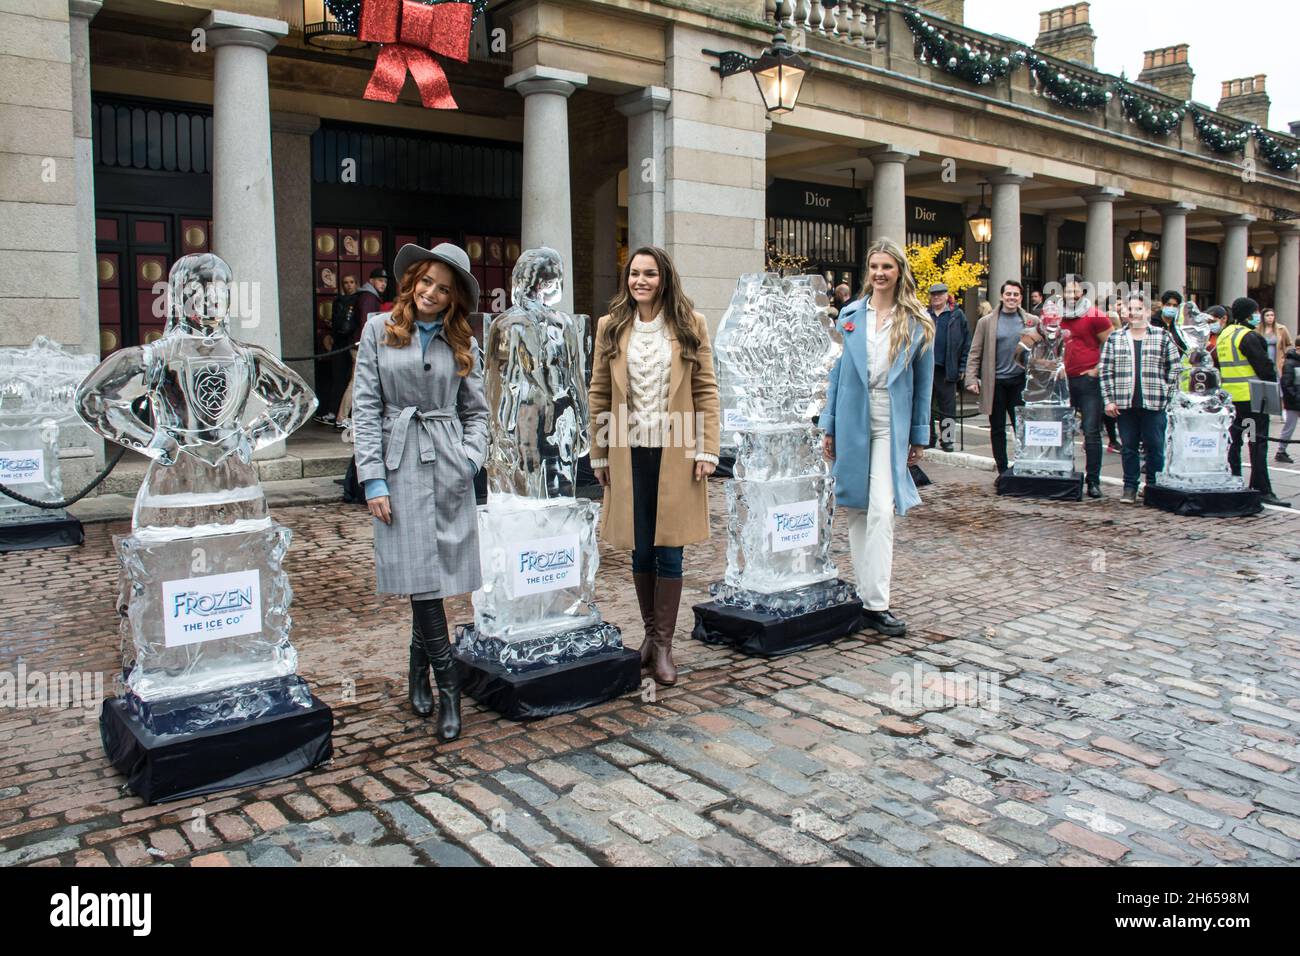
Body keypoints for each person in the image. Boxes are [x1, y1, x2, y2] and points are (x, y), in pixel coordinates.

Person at [351, 243, 489, 741]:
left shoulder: (463, 342)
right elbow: (365, 408)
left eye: (444, 288)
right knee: (422, 577)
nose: (432, 293)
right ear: (413, 282)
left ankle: (418, 673)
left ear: (454, 299)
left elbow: (478, 413)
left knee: (431, 574)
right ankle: (448, 684)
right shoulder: (377, 331)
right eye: (426, 281)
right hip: (399, 461)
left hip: (449, 463)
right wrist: (373, 479)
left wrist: (471, 460)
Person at [588, 246, 721, 686]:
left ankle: (663, 646)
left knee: (670, 549)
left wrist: (707, 448)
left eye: (649, 274)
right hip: (628, 455)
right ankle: (648, 637)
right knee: (640, 547)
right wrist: (600, 453)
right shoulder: (612, 327)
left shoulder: (689, 325)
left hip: (678, 451)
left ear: (663, 278)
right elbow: (599, 393)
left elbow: (706, 389)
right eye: (633, 273)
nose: (640, 280)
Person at [821, 238, 934, 637]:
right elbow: (836, 376)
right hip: (853, 415)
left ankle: (877, 602)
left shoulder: (917, 322)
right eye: (874, 267)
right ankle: (866, 600)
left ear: (899, 271)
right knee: (857, 507)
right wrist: (828, 424)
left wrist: (919, 434)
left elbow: (924, 384)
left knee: (883, 509)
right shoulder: (850, 316)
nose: (880, 273)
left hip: (892, 417)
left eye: (887, 266)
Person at [1030, 277, 1112, 498]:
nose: (1071, 294)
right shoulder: (1055, 316)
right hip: (1061, 381)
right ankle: (1064, 474)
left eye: (1076, 291)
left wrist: (1097, 369)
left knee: (1091, 431)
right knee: (1061, 431)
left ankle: (1093, 481)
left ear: (1083, 292)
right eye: (1067, 291)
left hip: (1088, 381)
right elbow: (1042, 344)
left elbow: (1111, 345)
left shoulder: (1095, 315)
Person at [1100, 293, 1180, 502]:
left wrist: (1168, 396)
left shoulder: (1162, 336)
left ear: (1147, 311)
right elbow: (1106, 371)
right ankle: (1130, 486)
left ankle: (1153, 486)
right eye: (1130, 309)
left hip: (1154, 401)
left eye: (1138, 309)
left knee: (1155, 446)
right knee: (1129, 447)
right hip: (1125, 403)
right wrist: (1108, 399)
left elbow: (1174, 369)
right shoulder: (1115, 338)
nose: (1133, 313)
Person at [1217, 297, 1289, 507]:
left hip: (1231, 399)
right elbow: (1265, 367)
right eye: (1256, 312)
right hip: (1253, 397)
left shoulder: (1225, 334)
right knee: (1258, 444)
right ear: (1250, 314)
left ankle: (1234, 482)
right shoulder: (1248, 336)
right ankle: (1261, 488)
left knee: (1233, 443)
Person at [965, 280, 1031, 474]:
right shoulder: (986, 322)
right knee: (997, 428)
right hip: (995, 383)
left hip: (1020, 382)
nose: (1012, 298)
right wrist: (970, 378)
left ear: (1020, 298)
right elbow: (975, 351)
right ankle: (1002, 469)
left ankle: (1022, 465)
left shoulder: (1030, 321)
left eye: (1016, 295)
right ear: (1002, 296)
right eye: (1008, 294)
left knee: (1022, 427)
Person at [926, 282, 969, 452]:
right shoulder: (924, 315)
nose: (936, 297)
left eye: (940, 294)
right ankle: (928, 438)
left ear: (946, 295)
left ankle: (948, 440)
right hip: (927, 369)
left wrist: (963, 367)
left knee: (948, 409)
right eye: (933, 294)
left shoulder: (957, 315)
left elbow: (966, 343)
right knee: (925, 407)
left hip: (947, 369)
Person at [315, 274, 359, 426]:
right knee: (338, 378)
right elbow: (337, 322)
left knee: (353, 380)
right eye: (346, 282)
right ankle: (334, 412)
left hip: (352, 343)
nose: (349, 285)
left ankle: (344, 414)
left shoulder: (359, 300)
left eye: (352, 282)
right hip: (340, 344)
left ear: (356, 283)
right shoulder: (338, 301)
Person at [1278, 340, 1300, 465]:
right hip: (1293, 402)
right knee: (1289, 428)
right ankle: (1281, 451)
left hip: (1296, 400)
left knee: (1289, 427)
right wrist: (1296, 398)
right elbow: (1286, 384)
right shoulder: (1290, 364)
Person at [1259, 307, 1293, 376]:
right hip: (1263, 360)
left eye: (1272, 315)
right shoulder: (1257, 329)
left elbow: (1289, 344)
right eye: (1267, 315)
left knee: (1277, 380)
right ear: (1263, 317)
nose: (1270, 317)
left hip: (1278, 361)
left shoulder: (1282, 329)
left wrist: (1284, 356)